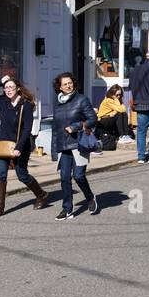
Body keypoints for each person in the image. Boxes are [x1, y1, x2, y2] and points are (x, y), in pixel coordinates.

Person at [0, 75, 49, 218]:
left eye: (11, 87)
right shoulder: (2, 101)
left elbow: (27, 129)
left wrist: (18, 147)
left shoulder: (26, 105)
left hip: (20, 146)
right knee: (0, 174)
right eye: (6, 87)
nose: (8, 90)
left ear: (18, 88)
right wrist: (0, 82)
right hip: (3, 144)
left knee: (22, 175)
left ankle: (41, 195)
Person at [50, 72, 99, 219]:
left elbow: (93, 119)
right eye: (64, 84)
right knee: (64, 177)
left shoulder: (81, 99)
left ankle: (90, 197)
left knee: (78, 176)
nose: (68, 86)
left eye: (70, 83)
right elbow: (55, 127)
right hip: (64, 144)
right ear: (59, 87)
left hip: (79, 142)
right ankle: (67, 209)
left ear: (74, 83)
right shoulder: (57, 103)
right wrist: (53, 150)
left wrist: (76, 126)